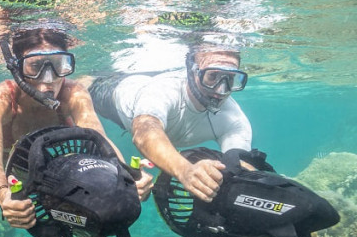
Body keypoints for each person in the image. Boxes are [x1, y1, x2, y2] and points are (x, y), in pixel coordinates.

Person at [0, 27, 153, 230]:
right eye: (35, 66)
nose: (48, 80)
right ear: (17, 67)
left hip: (41, 154)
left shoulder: (74, 93)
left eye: (59, 65)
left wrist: (125, 174)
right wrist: (3, 196)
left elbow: (98, 137)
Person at [84, 40, 252, 204]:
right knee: (86, 85)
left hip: (146, 90)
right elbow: (144, 132)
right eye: (212, 76)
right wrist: (185, 170)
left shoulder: (234, 118)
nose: (220, 90)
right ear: (192, 71)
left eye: (230, 78)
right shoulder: (163, 91)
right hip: (116, 93)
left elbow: (241, 166)